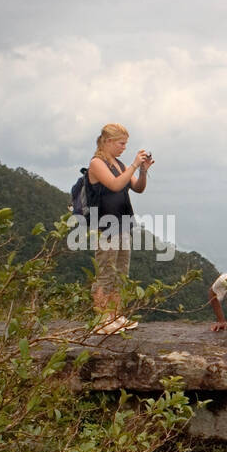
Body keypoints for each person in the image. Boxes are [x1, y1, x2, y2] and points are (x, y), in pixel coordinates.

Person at [87, 123, 151, 333]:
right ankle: (102, 319)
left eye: (125, 144)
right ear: (108, 141)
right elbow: (114, 185)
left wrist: (142, 171)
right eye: (121, 143)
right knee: (106, 272)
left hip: (123, 223)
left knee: (120, 272)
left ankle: (115, 315)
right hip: (105, 225)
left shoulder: (120, 164)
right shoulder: (97, 163)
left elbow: (137, 188)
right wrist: (133, 165)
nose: (124, 147)